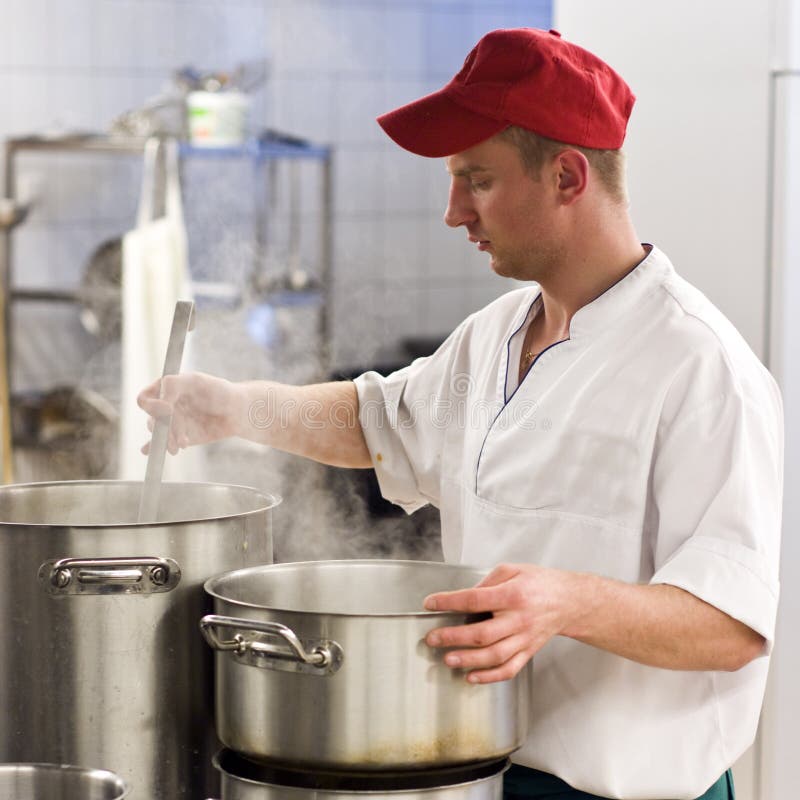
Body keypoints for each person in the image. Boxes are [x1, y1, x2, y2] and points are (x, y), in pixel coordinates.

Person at [138, 28, 783, 800]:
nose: (453, 212)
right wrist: (235, 407)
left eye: (476, 180)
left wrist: (567, 602)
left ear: (568, 177)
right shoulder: (497, 333)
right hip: (481, 773)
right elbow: (377, 424)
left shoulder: (700, 367)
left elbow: (730, 626)